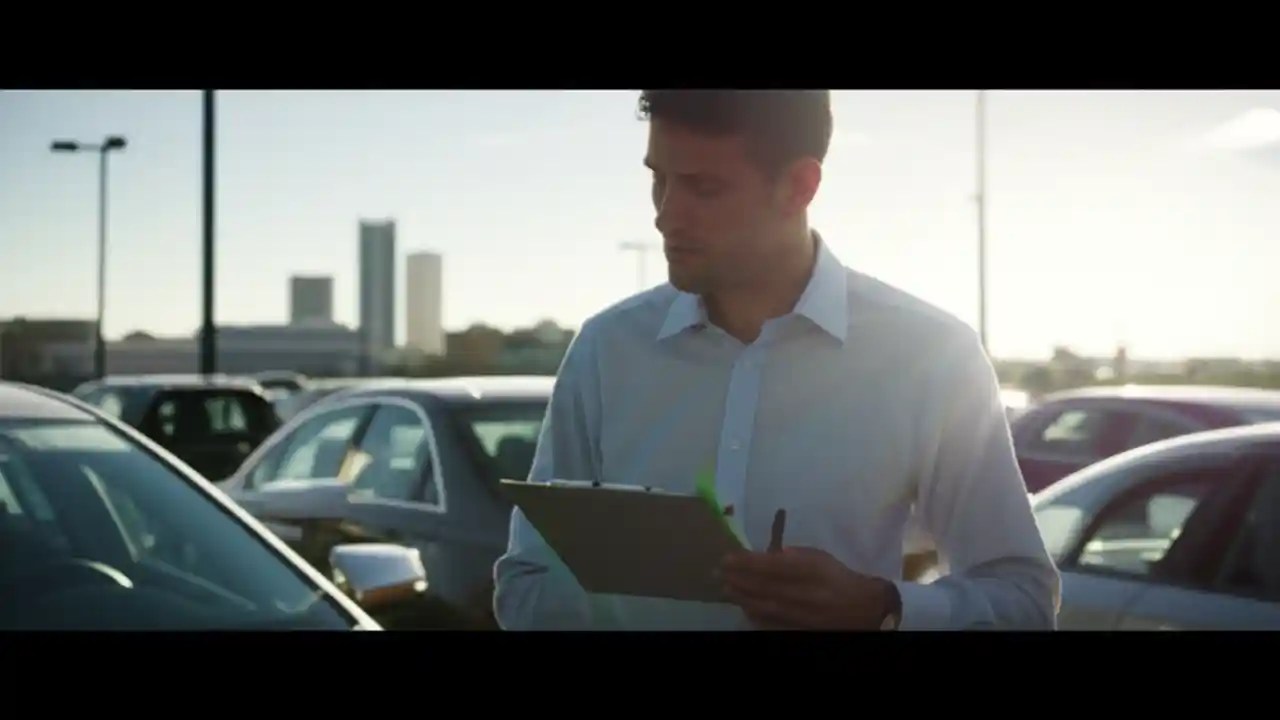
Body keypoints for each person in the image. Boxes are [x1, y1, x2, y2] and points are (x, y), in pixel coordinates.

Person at [492, 90, 1059, 630]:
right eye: (658, 180)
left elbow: (1024, 598)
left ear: (800, 185)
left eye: (702, 187)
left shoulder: (932, 359)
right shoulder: (605, 351)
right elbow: (524, 585)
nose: (666, 215)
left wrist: (881, 609)